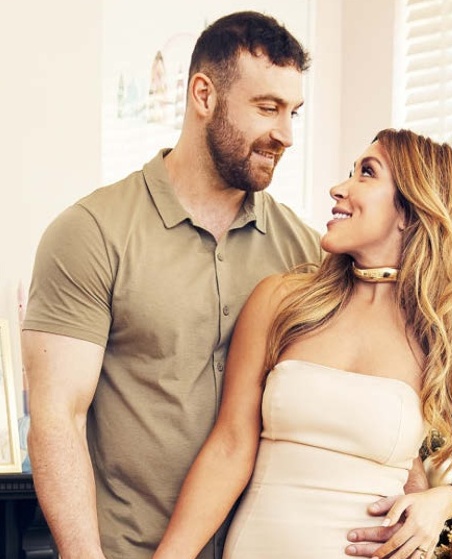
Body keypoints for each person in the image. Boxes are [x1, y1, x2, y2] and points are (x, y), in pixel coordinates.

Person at [21, 11, 402, 559]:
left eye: (293, 112)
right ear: (204, 95)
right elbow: (58, 417)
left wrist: (440, 497)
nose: (286, 134)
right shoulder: (91, 233)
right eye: (267, 108)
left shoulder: (305, 251)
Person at [152, 128, 452, 559]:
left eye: (367, 173)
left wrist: (444, 501)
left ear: (411, 209)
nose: (338, 188)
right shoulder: (281, 300)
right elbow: (229, 447)